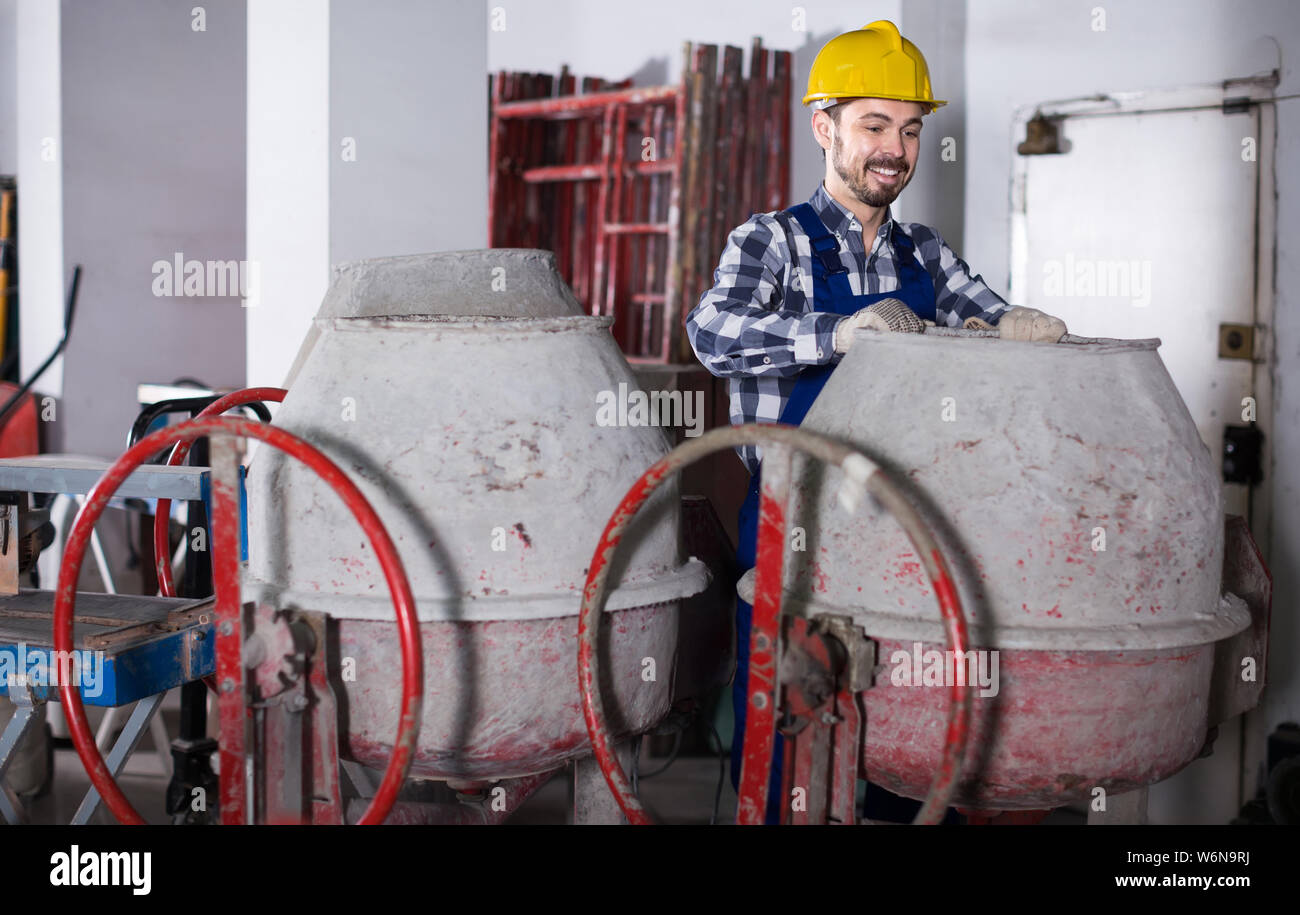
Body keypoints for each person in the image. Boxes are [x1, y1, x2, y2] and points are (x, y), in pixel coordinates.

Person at [685, 20, 1068, 823]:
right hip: (797, 527)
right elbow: (711, 331)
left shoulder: (927, 256)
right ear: (824, 128)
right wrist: (836, 334)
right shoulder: (773, 242)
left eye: (910, 129)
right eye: (873, 125)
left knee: (911, 725)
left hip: (910, 528)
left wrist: (1022, 327)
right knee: (790, 718)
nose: (895, 147)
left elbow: (992, 319)